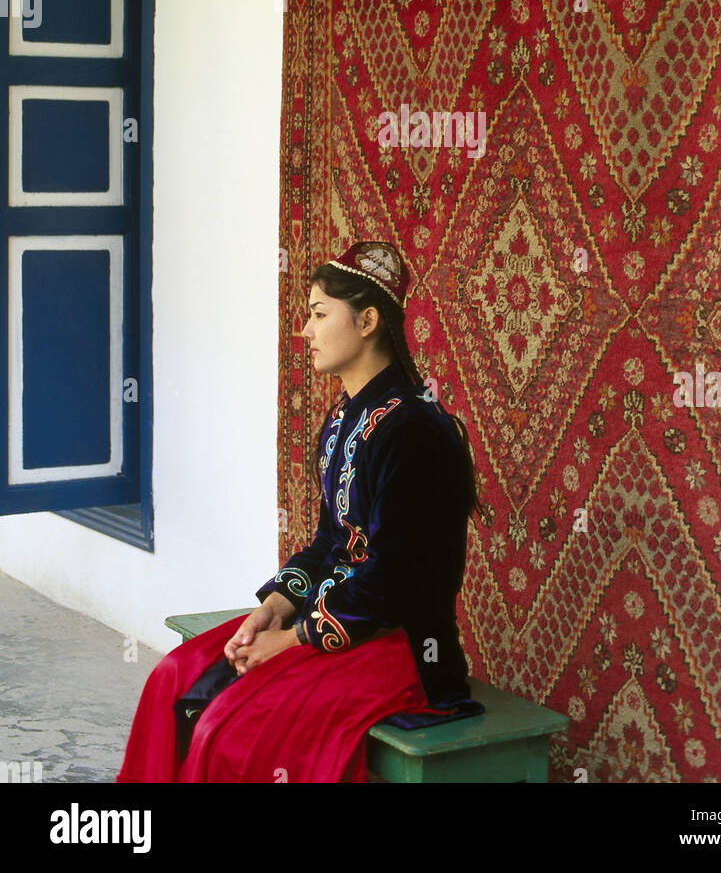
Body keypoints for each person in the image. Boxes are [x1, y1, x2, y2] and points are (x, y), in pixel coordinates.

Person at [116, 239, 479, 783]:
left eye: (317, 314)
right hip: (332, 623)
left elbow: (395, 580)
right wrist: (276, 609)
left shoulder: (414, 432)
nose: (304, 331)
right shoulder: (344, 420)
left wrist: (290, 640)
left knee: (228, 728)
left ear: (368, 321)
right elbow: (331, 544)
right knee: (173, 677)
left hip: (402, 648)